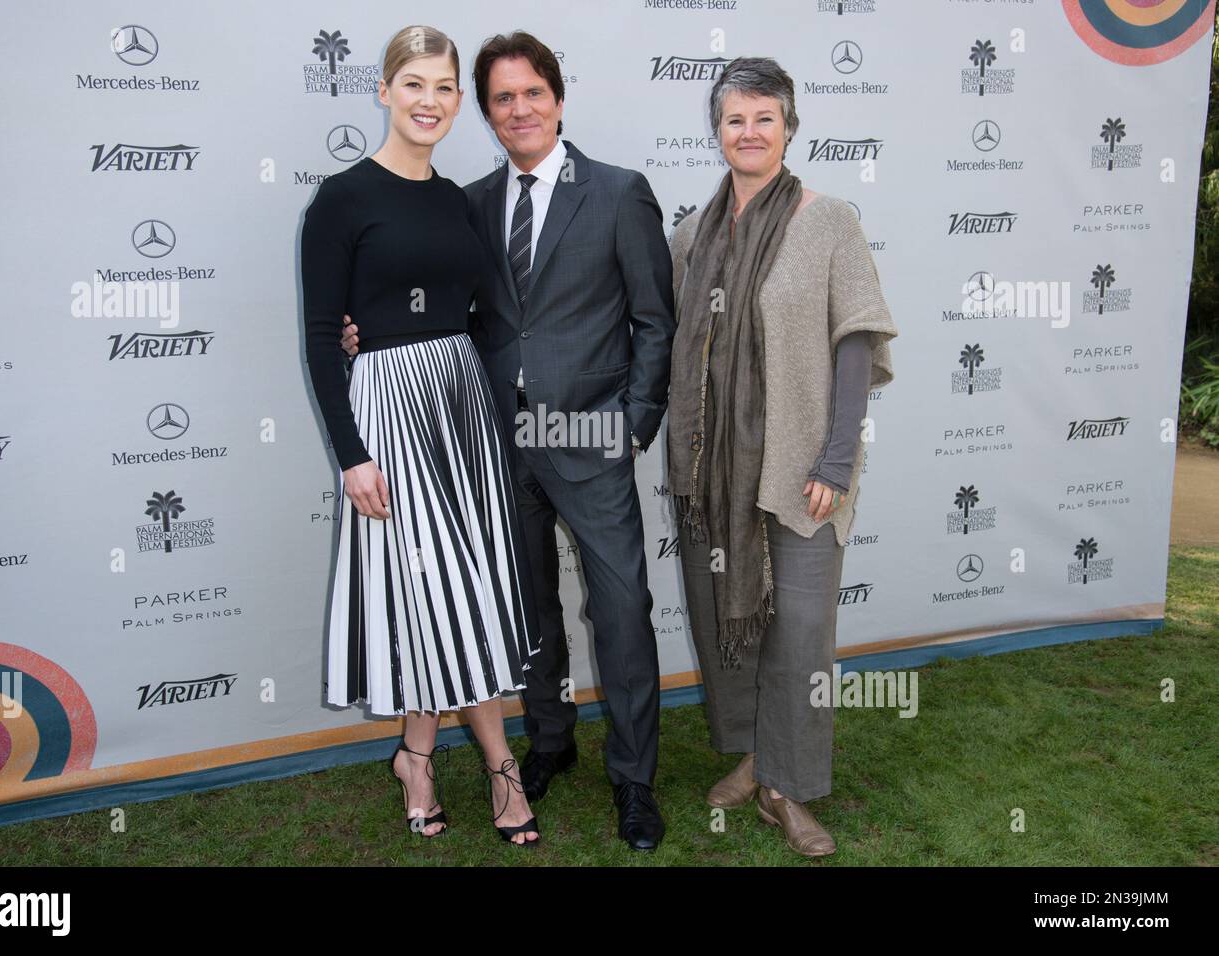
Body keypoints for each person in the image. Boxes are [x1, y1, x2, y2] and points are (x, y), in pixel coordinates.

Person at [343, 31, 675, 851]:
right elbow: (448, 311)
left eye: (532, 93)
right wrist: (366, 333)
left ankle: (634, 781)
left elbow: (655, 324)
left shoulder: (620, 192)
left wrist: (631, 429)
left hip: (591, 437)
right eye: (501, 98)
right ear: (485, 114)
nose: (518, 109)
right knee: (527, 615)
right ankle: (549, 743)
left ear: (558, 100)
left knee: (622, 612)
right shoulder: (472, 203)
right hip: (492, 440)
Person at [300, 25, 542, 846]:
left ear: (458, 101)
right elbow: (314, 337)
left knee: (450, 589)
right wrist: (352, 454)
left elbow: (468, 310)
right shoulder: (341, 198)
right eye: (414, 85)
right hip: (388, 414)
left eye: (444, 87)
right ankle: (500, 764)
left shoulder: (455, 199)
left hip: (460, 408)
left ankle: (416, 753)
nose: (430, 102)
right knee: (433, 589)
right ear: (384, 91)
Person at [667, 57, 897, 857]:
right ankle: (758, 758)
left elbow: (857, 340)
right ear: (717, 132)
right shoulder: (691, 238)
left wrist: (836, 462)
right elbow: (679, 351)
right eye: (735, 119)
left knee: (800, 632)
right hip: (713, 476)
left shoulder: (827, 219)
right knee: (728, 621)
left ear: (789, 130)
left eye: (765, 118)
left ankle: (789, 791)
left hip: (803, 472)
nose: (750, 131)